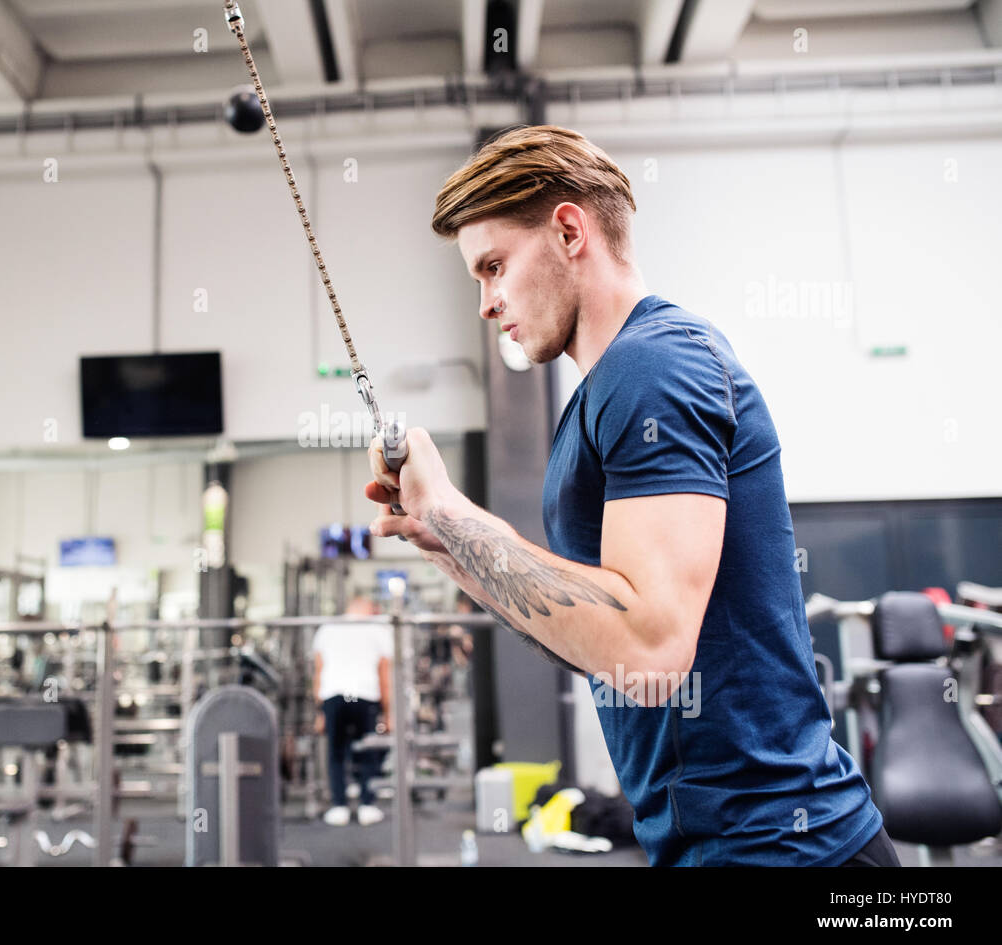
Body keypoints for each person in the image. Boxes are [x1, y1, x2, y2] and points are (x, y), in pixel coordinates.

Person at [364, 125, 898, 867]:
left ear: (569, 231)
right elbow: (596, 639)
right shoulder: (604, 391)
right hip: (718, 843)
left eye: (494, 267)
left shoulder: (655, 366)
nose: (487, 304)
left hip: (783, 846)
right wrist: (447, 541)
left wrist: (454, 511)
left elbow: (649, 649)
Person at [311, 595, 392, 826]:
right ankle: (367, 805)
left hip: (334, 696)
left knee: (336, 753)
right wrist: (389, 714)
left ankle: (339, 807)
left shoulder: (327, 629)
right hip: (364, 696)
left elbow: (318, 672)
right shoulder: (377, 629)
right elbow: (384, 676)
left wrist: (319, 712)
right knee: (367, 751)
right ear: (366, 608)